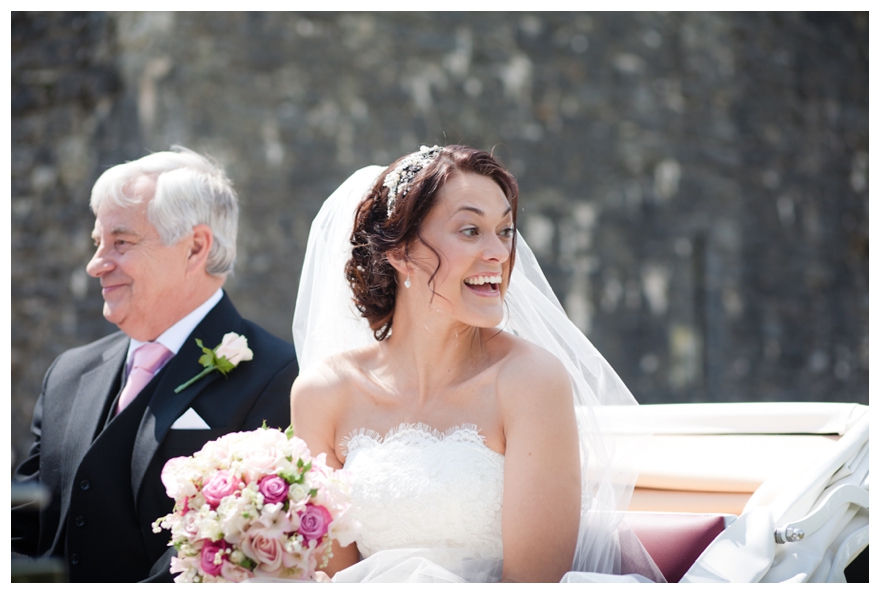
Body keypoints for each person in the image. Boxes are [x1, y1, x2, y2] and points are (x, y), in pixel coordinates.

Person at [290, 145, 662, 582]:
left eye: (504, 231)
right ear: (401, 252)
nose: (500, 254)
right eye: (470, 231)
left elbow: (534, 585)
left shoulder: (530, 382)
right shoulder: (323, 392)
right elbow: (331, 580)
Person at [12, 146, 299, 582]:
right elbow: (21, 523)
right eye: (98, 243)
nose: (95, 264)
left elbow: (228, 553)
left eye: (121, 242)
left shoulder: (276, 378)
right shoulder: (68, 374)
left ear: (195, 247)